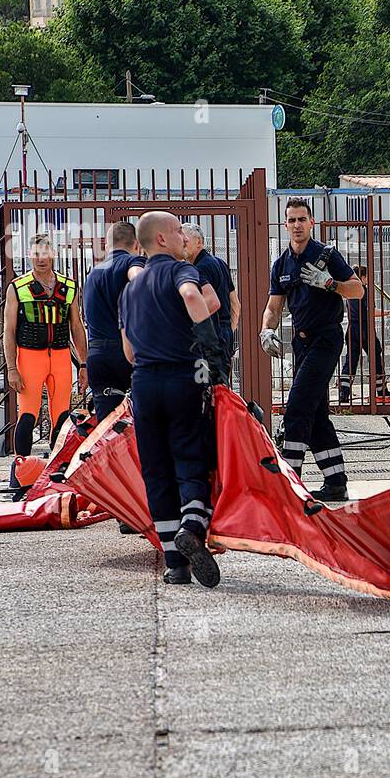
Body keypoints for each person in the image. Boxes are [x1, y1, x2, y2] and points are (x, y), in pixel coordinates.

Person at [119, 211, 228, 587]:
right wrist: (209, 346)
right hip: (183, 377)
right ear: (162, 239)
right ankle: (193, 526)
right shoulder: (181, 271)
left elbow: (129, 351)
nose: (185, 236)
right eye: (179, 230)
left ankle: (175, 564)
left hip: (145, 383)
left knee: (156, 471)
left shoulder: (130, 289)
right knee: (191, 456)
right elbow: (191, 295)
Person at [259, 198, 364, 502]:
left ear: (312, 222)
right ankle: (335, 482)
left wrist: (330, 283)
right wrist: (267, 329)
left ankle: (288, 484)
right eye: (291, 220)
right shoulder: (281, 264)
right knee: (316, 414)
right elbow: (273, 307)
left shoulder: (327, 255)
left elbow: (358, 290)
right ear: (285, 224)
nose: (297, 225)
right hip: (301, 343)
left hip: (326, 338)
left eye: (302, 219)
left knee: (297, 407)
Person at [2, 233, 88, 490]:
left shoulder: (68, 287)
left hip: (61, 356)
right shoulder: (18, 287)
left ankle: (57, 472)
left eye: (46, 253)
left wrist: (83, 364)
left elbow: (77, 325)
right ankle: (20, 475)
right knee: (28, 415)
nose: (41, 259)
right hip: (29, 357)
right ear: (30, 255)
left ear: (53, 255)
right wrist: (12, 368)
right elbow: (9, 330)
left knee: (61, 417)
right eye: (36, 254)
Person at [82, 221, 147, 421]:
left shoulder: (93, 274)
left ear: (107, 245)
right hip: (128, 354)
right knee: (140, 423)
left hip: (98, 357)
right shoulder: (133, 263)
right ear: (136, 244)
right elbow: (137, 276)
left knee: (107, 430)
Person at [182, 223, 240, 358]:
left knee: (204, 378)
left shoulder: (199, 269)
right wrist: (227, 332)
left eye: (185, 241)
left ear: (198, 242)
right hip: (224, 333)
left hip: (209, 336)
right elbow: (236, 305)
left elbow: (203, 304)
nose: (182, 245)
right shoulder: (220, 263)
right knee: (221, 378)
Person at [338, 264, 390, 403]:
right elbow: (370, 312)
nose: (370, 279)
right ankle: (381, 391)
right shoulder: (363, 290)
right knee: (376, 359)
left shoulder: (350, 291)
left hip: (352, 328)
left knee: (351, 361)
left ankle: (344, 393)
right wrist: (387, 312)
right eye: (368, 277)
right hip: (365, 329)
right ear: (362, 277)